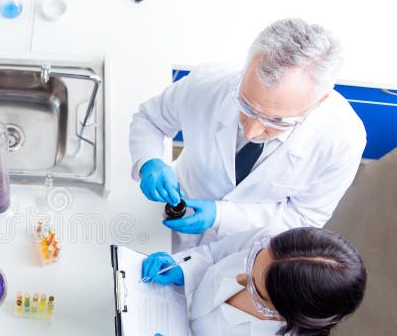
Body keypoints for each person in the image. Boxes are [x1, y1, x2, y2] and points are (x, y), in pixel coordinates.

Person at [129, 18, 366, 252]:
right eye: (246, 106)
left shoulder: (342, 141)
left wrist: (220, 216)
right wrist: (149, 161)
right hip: (167, 217)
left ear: (319, 101)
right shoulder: (209, 83)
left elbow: (304, 217)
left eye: (276, 121)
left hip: (246, 248)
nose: (251, 131)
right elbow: (150, 119)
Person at [140, 226, 366, 336]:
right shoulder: (268, 242)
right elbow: (213, 253)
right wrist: (183, 269)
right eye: (253, 259)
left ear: (287, 313)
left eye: (255, 289)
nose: (240, 278)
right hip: (156, 301)